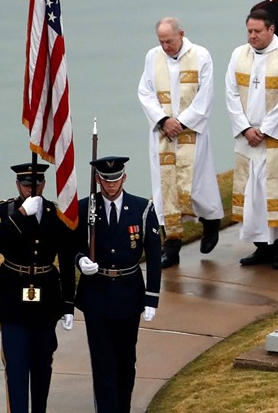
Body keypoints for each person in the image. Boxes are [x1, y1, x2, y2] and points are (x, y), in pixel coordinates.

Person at [74, 156, 162, 413]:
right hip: (97, 294)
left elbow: (154, 255)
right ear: (98, 179)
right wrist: (80, 261)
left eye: (115, 179)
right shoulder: (85, 209)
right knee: (103, 362)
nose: (110, 185)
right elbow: (70, 246)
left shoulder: (142, 208)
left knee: (125, 360)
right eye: (105, 179)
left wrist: (151, 297)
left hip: (128, 293)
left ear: (124, 177)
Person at [0, 161, 76, 413]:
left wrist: (68, 303)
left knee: (42, 365)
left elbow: (67, 259)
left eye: (36, 184)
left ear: (44, 184)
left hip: (46, 301)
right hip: (13, 299)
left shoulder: (54, 213)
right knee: (15, 367)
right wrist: (21, 215)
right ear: (18, 185)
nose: (32, 189)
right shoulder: (5, 210)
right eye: (26, 184)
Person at [135, 16, 222, 269]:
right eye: (161, 42)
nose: (165, 47)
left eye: (169, 41)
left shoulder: (201, 56)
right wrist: (163, 120)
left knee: (197, 184)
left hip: (191, 133)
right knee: (165, 190)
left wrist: (181, 122)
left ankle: (211, 223)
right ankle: (171, 245)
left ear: (181, 34)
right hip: (163, 134)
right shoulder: (152, 57)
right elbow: (145, 92)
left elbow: (205, 95)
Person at [224, 7, 278, 267]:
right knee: (253, 194)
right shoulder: (239, 54)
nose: (252, 36)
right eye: (249, 31)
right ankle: (261, 247)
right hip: (247, 137)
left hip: (275, 138)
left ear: (271, 30)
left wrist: (265, 129)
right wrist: (245, 128)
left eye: (257, 31)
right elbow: (231, 94)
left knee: (275, 191)